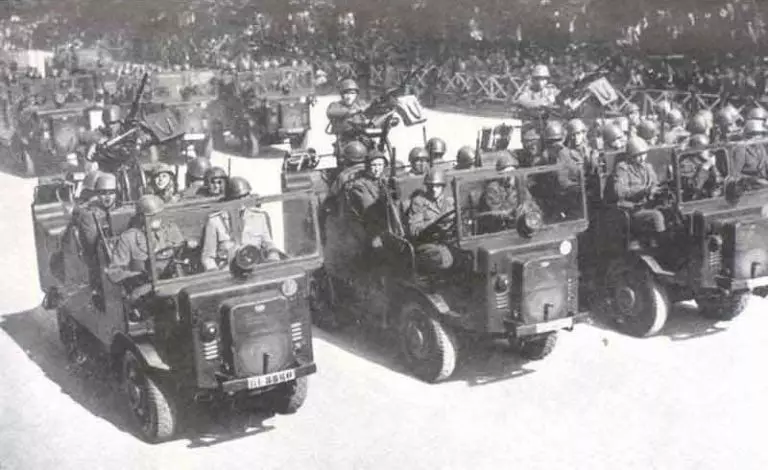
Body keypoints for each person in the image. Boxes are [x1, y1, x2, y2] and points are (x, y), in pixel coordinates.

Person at [106, 195, 184, 305]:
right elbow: (114, 273)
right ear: (141, 217)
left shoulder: (170, 229)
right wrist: (139, 276)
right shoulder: (129, 238)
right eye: (152, 216)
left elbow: (181, 252)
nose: (158, 219)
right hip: (146, 287)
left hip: (173, 281)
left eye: (159, 214)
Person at [201, 177, 280, 271]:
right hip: (229, 273)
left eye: (245, 196)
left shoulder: (259, 217)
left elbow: (268, 243)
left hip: (255, 268)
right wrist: (216, 274)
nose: (242, 202)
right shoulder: (215, 221)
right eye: (237, 198)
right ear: (229, 199)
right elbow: (208, 257)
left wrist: (273, 255)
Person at [607, 136, 666, 234]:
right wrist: (643, 190)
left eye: (644, 154)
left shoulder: (648, 167)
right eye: (638, 155)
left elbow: (655, 183)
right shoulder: (623, 168)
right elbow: (619, 192)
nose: (642, 158)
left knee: (670, 211)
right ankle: (662, 242)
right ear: (631, 156)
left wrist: (657, 189)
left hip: (649, 205)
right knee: (657, 216)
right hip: (632, 209)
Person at [403, 168, 455, 271]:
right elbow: (414, 230)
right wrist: (433, 225)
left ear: (443, 187)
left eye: (438, 186)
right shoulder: (419, 202)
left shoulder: (449, 202)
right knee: (439, 256)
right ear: (427, 187)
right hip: (426, 244)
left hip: (448, 241)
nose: (434, 189)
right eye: (431, 186)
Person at [476, 156, 540, 234]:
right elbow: (494, 214)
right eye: (506, 173)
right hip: (499, 231)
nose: (509, 176)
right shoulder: (493, 189)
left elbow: (531, 205)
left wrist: (530, 212)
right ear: (500, 175)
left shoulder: (519, 187)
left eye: (512, 172)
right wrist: (511, 211)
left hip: (519, 228)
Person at [345, 150, 389, 248]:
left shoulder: (383, 181)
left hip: (386, 225)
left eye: (380, 165)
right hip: (369, 229)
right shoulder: (359, 185)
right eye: (374, 165)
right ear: (367, 167)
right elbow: (370, 211)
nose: (377, 169)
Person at [326, 78, 369, 150]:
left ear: (356, 95)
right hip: (344, 138)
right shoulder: (336, 105)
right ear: (342, 95)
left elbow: (368, 116)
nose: (349, 97)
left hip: (361, 136)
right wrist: (349, 112)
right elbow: (330, 112)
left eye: (352, 93)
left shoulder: (359, 105)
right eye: (346, 93)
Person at [679, 134, 722, 200]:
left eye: (708, 148)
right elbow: (693, 188)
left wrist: (713, 167)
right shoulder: (687, 163)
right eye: (705, 149)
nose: (709, 152)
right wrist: (705, 167)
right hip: (694, 202)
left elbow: (719, 183)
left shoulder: (708, 161)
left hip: (712, 200)